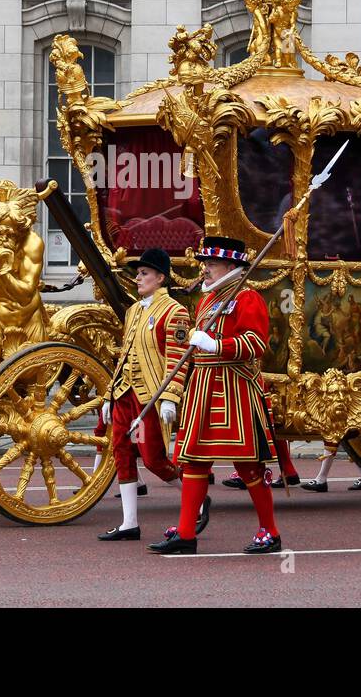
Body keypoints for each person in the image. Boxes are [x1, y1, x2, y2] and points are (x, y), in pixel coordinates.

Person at [148, 237, 281, 555]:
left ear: (231, 267)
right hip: (203, 387)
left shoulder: (248, 298)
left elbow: (255, 344)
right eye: (205, 264)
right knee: (194, 462)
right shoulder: (208, 300)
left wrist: (216, 345)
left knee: (248, 465)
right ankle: (185, 532)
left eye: (212, 264)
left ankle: (270, 531)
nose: (205, 269)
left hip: (235, 389)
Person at [98, 248, 199, 541]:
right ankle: (129, 522)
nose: (138, 279)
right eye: (138, 274)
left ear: (160, 277)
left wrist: (170, 396)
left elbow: (177, 358)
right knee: (121, 453)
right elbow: (124, 356)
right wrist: (108, 395)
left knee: (153, 458)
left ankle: (197, 496)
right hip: (124, 394)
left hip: (149, 396)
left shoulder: (174, 311)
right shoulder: (133, 311)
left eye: (144, 273)